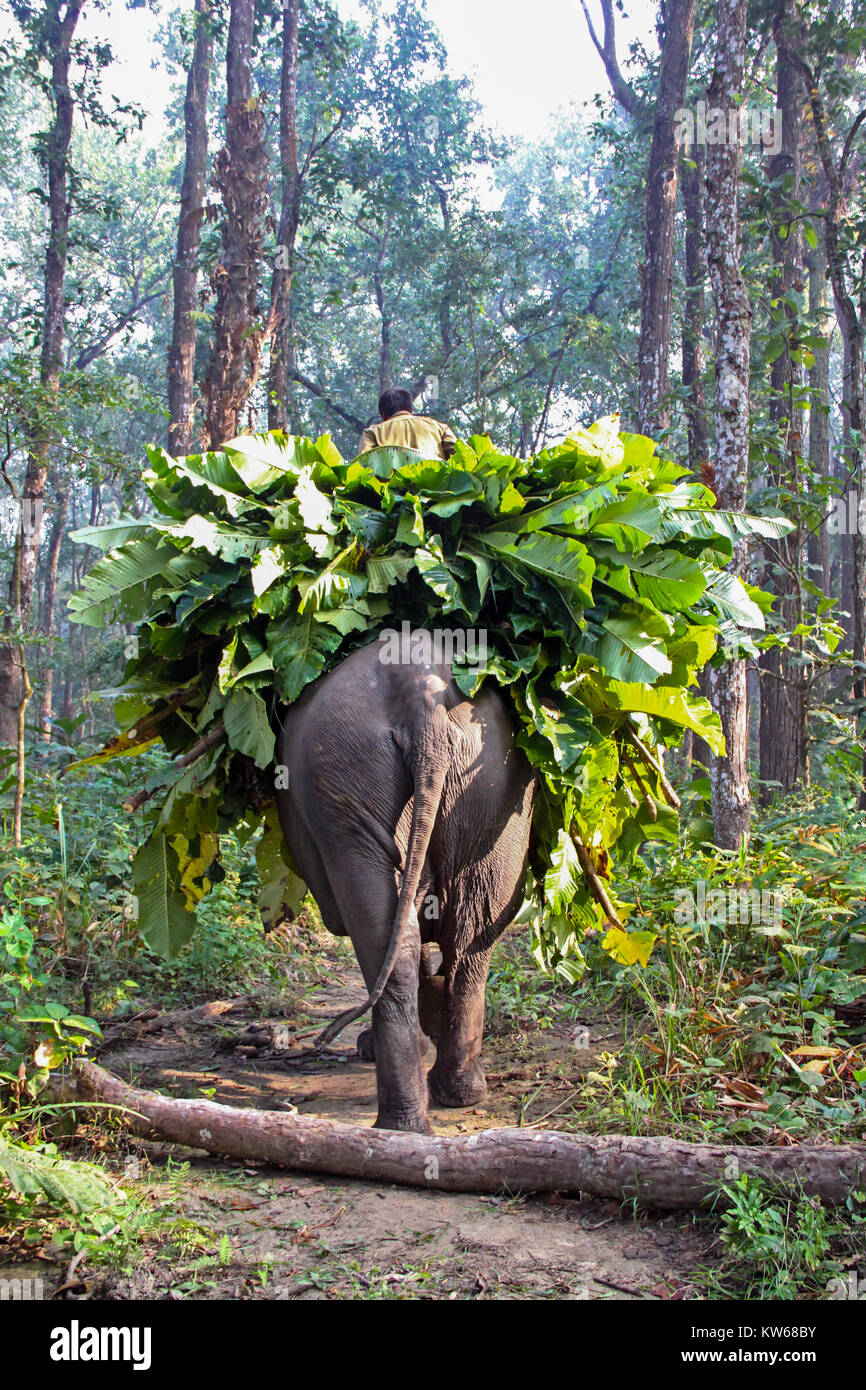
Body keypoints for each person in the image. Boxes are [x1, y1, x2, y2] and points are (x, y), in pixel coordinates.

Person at [357, 387, 457, 460]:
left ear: (383, 415)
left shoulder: (372, 432)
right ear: (411, 410)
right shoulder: (439, 427)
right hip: (436, 487)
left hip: (390, 487)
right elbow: (460, 456)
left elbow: (362, 466)